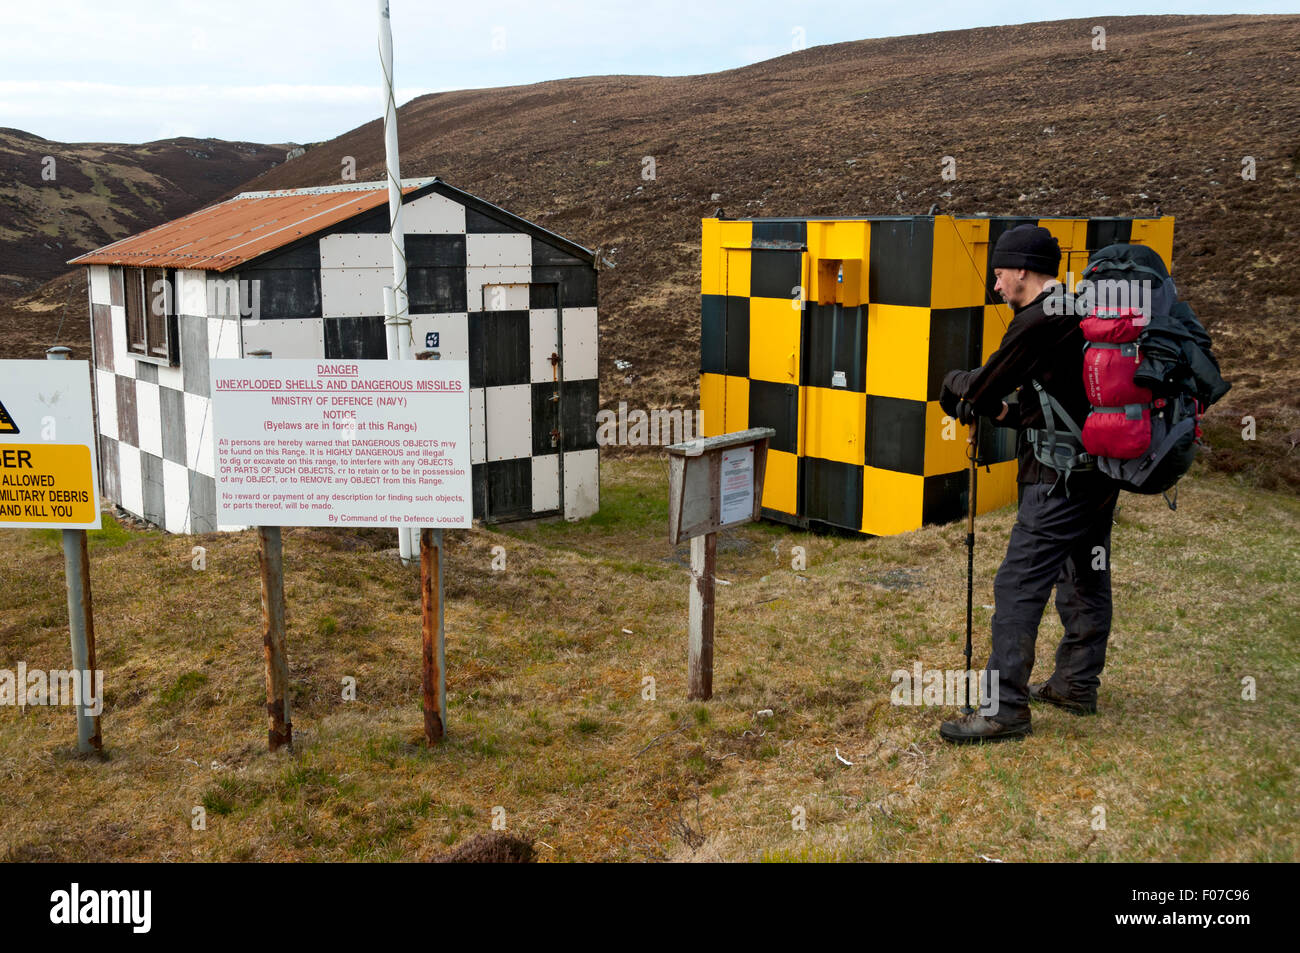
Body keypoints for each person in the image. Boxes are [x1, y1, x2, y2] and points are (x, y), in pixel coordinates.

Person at [937, 224, 1120, 743]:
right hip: (1096, 473)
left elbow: (979, 385)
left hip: (1056, 482)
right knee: (1085, 574)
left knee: (1017, 586)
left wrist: (952, 384)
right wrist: (1003, 411)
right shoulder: (1076, 309)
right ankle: (1076, 685)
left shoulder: (1037, 321)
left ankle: (1004, 710)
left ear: (1021, 269)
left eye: (999, 275)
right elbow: (1057, 404)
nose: (996, 286)